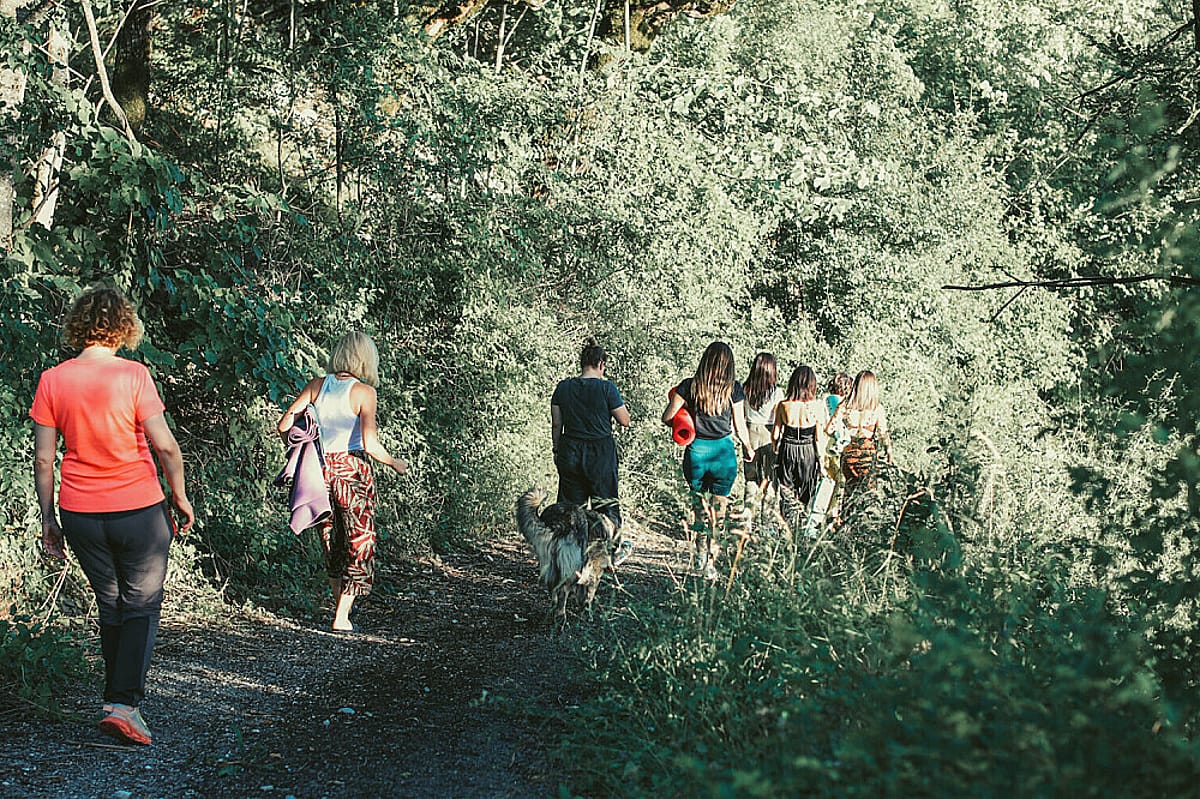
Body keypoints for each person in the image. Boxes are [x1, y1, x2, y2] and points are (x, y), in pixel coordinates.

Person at [31, 285, 195, 746]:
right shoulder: (134, 375)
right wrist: (179, 495)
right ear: (124, 326)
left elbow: (44, 459)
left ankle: (115, 702)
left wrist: (48, 519)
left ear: (77, 325)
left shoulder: (53, 380)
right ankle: (124, 706)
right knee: (141, 603)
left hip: (81, 512)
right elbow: (166, 446)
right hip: (138, 509)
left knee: (111, 603)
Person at [278, 332, 408, 632]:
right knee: (360, 539)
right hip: (352, 470)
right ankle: (341, 616)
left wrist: (300, 446)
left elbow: (284, 425)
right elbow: (370, 444)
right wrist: (394, 463)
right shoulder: (364, 392)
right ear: (365, 359)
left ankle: (341, 610)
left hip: (319, 469)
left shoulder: (316, 385)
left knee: (331, 539)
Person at [661, 342, 754, 580]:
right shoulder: (734, 389)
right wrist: (748, 447)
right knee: (718, 514)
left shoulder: (689, 386)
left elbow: (667, 417)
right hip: (724, 454)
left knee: (700, 510)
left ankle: (700, 554)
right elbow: (740, 425)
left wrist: (685, 417)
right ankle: (711, 563)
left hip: (697, 453)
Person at [550, 338, 632, 562]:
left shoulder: (563, 388)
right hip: (600, 454)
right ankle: (609, 553)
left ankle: (565, 556)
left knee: (570, 509)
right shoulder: (607, 388)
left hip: (570, 450)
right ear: (601, 364)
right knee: (606, 506)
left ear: (582, 363)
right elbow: (625, 420)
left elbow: (557, 424)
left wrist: (556, 450)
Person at [773, 364, 829, 534]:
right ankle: (803, 528)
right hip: (808, 450)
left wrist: (776, 450)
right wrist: (822, 462)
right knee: (806, 491)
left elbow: (775, 434)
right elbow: (818, 438)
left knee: (786, 489)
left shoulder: (783, 405)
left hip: (788, 448)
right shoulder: (817, 406)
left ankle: (788, 527)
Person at [827, 370, 893, 492]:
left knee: (850, 492)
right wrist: (889, 451)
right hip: (867, 456)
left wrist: (841, 435)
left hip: (849, 454)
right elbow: (883, 433)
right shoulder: (877, 408)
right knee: (867, 494)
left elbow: (829, 429)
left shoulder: (845, 406)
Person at [742, 352, 784, 523]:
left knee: (751, 478)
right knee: (769, 479)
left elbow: (742, 415)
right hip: (769, 433)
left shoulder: (745, 389)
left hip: (750, 432)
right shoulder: (777, 392)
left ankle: (747, 518)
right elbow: (779, 417)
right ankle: (766, 522)